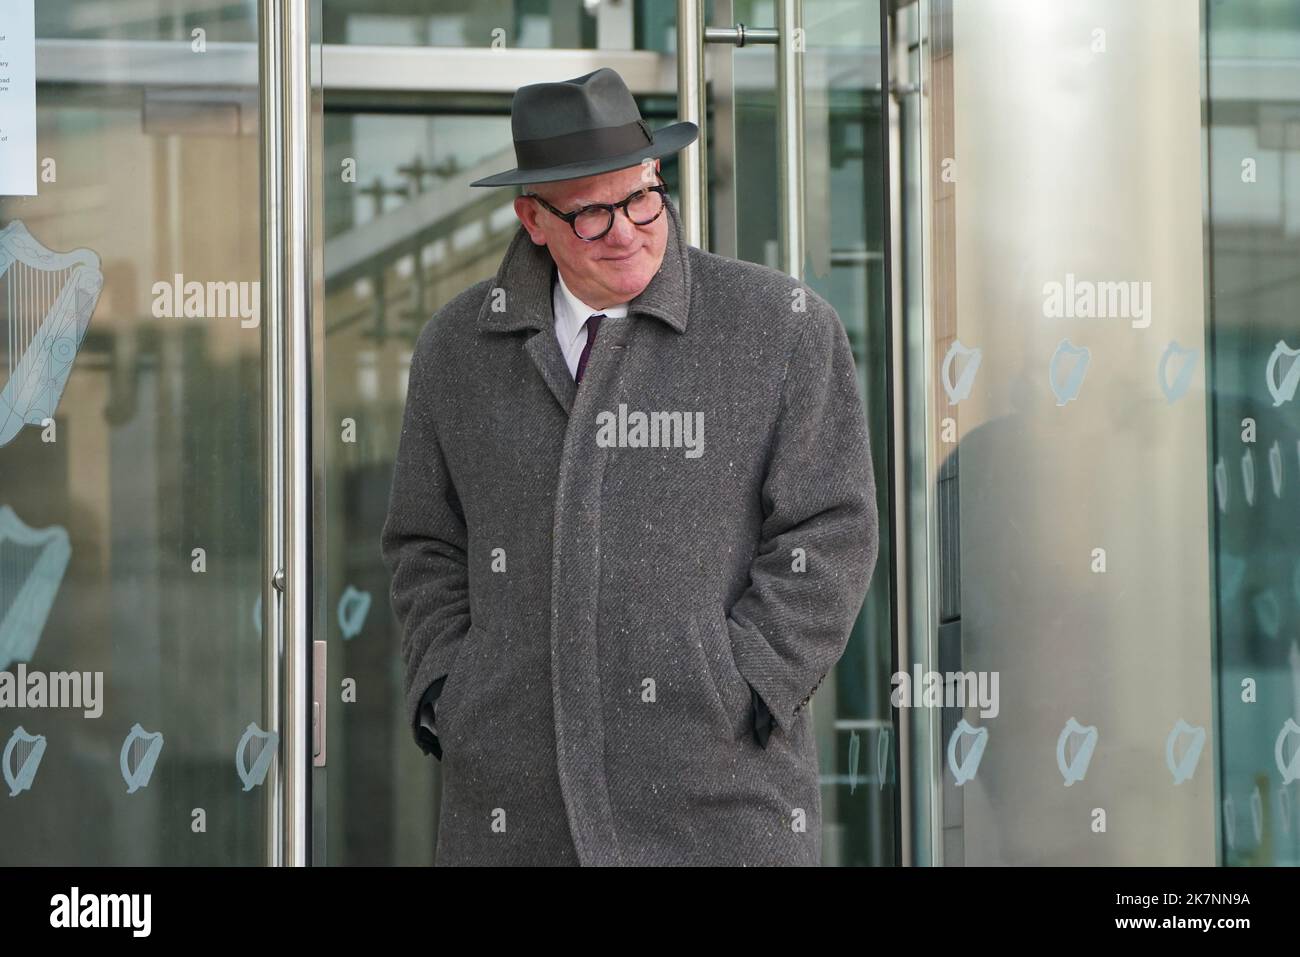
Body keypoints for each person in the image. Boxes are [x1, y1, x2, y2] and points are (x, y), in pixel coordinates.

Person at [380, 67, 878, 865]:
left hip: (717, 797)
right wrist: (453, 686)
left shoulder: (780, 329)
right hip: (513, 804)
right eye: (591, 213)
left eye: (643, 196)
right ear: (532, 219)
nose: (627, 229)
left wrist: (742, 680)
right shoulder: (457, 348)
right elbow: (423, 542)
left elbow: (831, 530)